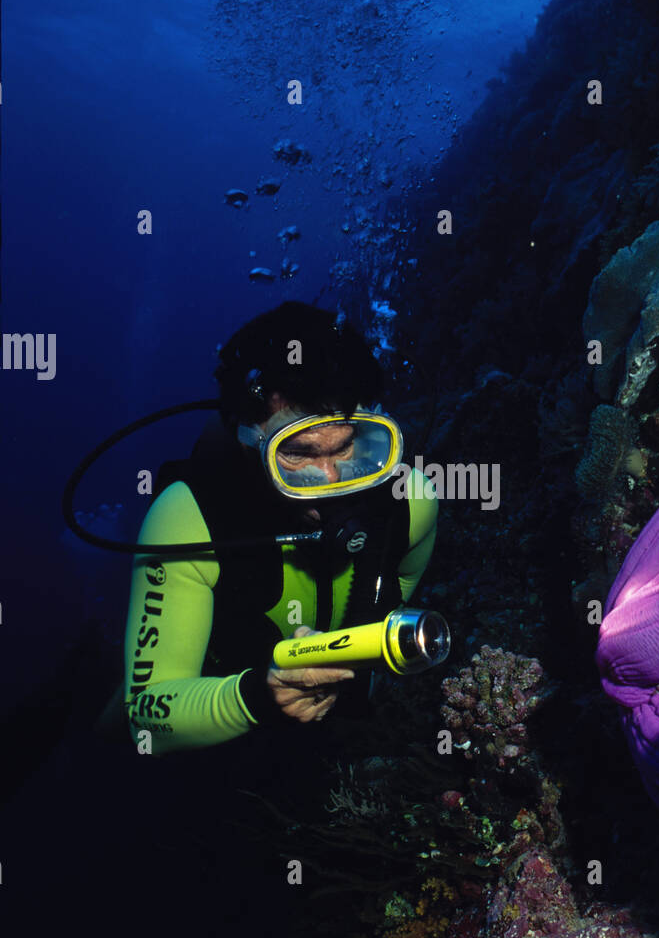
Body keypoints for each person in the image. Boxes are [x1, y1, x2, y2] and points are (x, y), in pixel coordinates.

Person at [118, 301, 437, 756]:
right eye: (297, 455)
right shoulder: (186, 522)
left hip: (339, 746)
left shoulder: (413, 503)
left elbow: (399, 585)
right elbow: (146, 715)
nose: (331, 482)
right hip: (226, 764)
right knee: (101, 731)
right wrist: (255, 698)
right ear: (251, 445)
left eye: (347, 447)